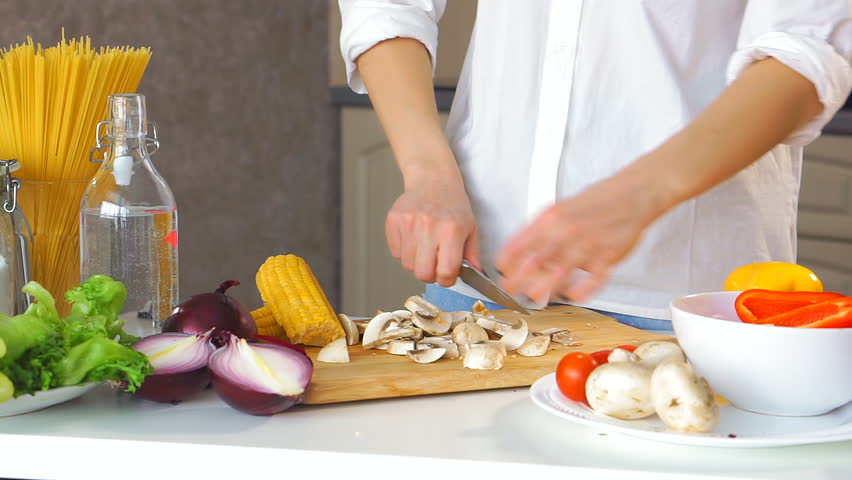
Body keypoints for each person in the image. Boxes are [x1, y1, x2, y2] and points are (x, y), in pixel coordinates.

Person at [338, 1, 852, 329]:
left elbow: (810, 51)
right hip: (475, 286)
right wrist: (427, 170)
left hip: (688, 307)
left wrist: (638, 193)